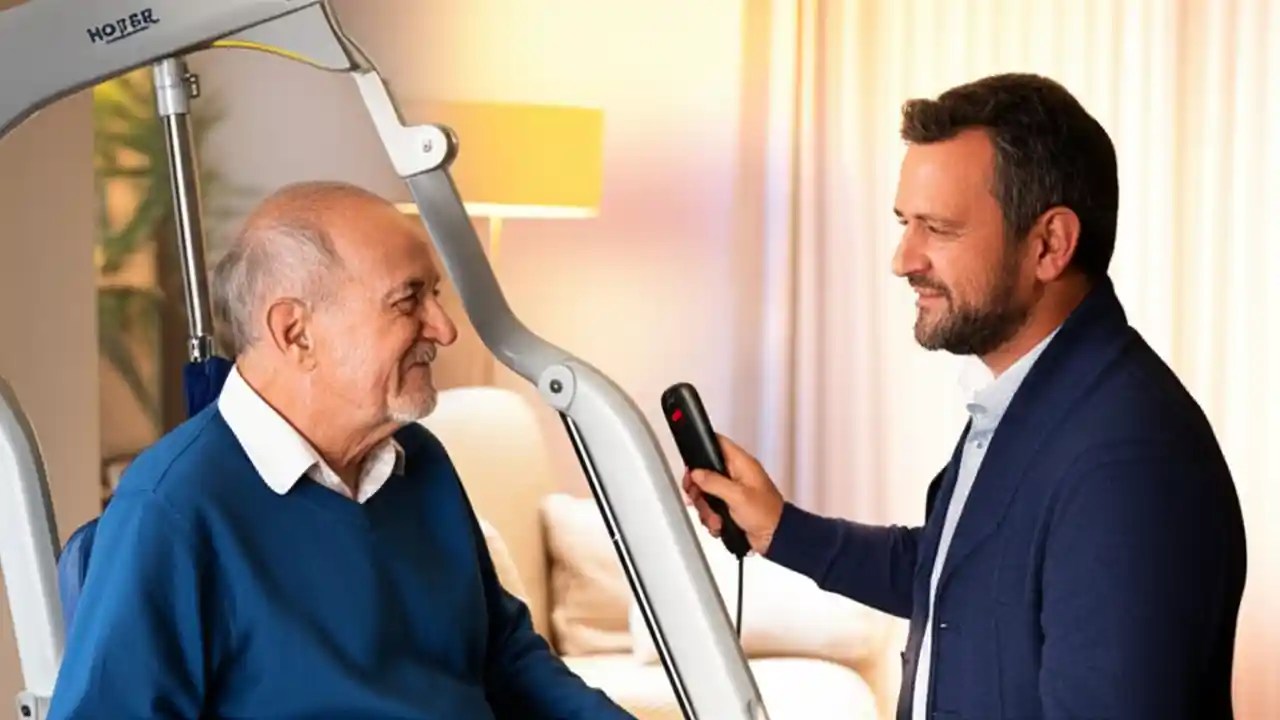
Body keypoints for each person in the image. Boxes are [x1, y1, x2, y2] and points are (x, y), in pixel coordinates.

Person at [685, 73, 1247, 720]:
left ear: (1049, 244)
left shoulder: (1129, 461)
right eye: (905, 223)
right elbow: (959, 572)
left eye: (938, 229)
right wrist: (779, 528)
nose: (903, 258)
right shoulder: (1038, 396)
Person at [48, 181, 633, 719]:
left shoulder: (419, 461)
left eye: (434, 295)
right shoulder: (172, 508)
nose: (444, 328)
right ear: (295, 332)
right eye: (409, 301)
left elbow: (505, 657)